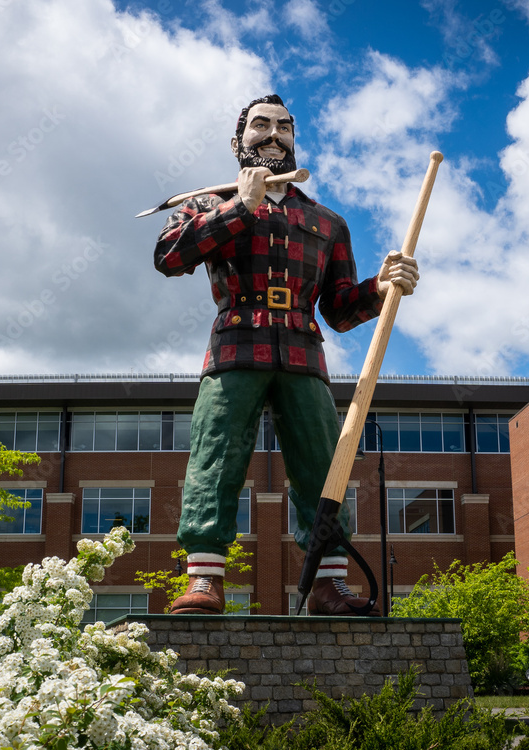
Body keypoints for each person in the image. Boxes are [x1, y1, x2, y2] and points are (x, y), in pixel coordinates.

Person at [153, 94, 419, 615]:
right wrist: (241, 208)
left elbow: (340, 310)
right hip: (233, 348)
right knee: (215, 457)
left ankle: (328, 582)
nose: (273, 134)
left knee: (324, 464)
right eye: (260, 125)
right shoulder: (208, 204)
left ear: (294, 139)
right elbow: (169, 256)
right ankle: (205, 578)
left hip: (304, 354)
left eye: (284, 127)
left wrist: (382, 286)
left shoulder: (328, 223)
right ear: (238, 141)